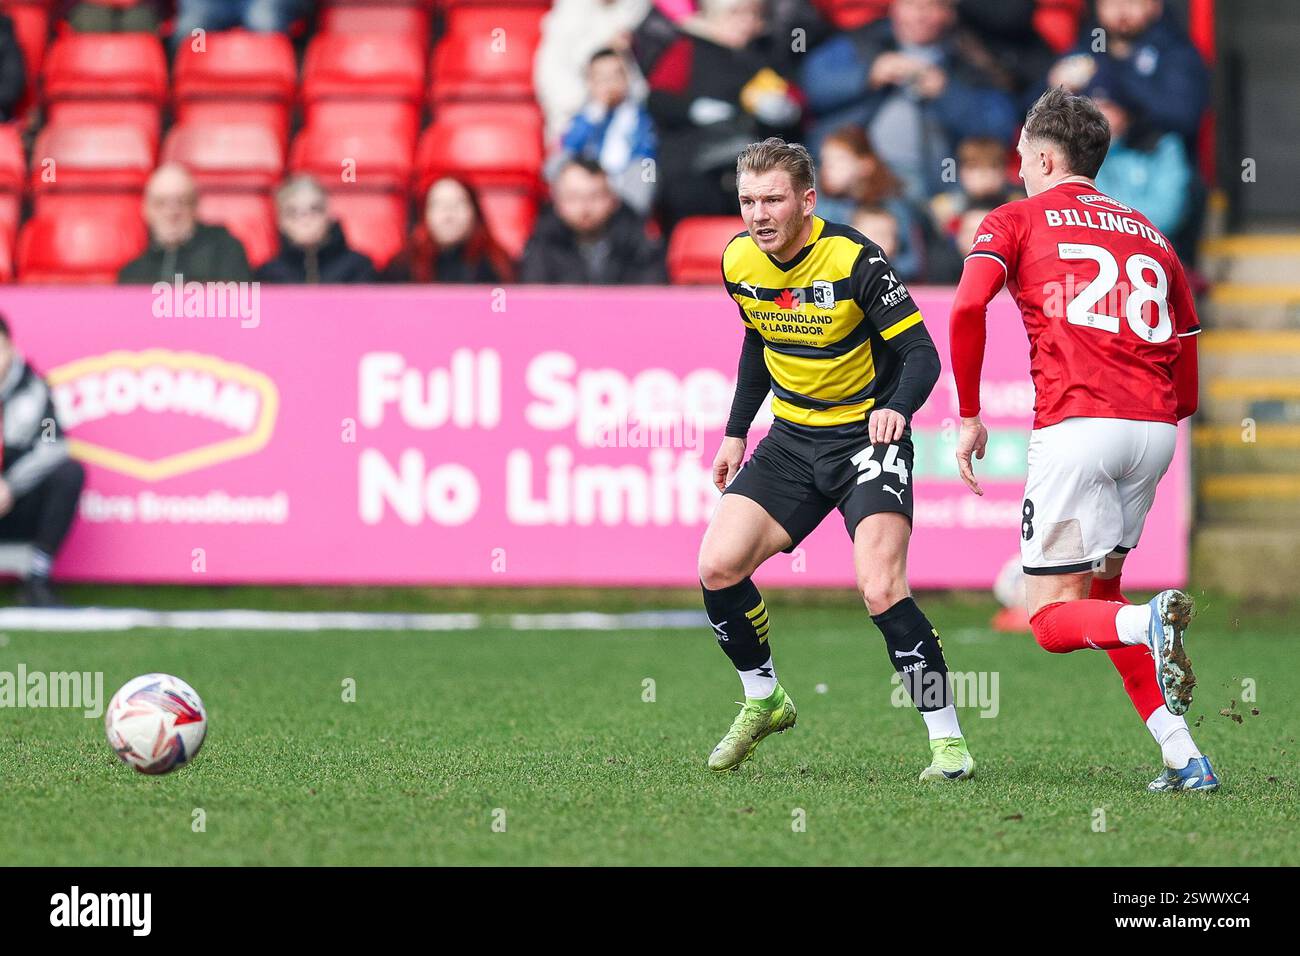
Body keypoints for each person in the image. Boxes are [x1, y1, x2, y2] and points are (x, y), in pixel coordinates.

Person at [948, 88, 1215, 792]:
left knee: (1048, 616)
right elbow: (1189, 380)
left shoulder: (1015, 218)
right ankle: (1184, 756)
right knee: (1105, 594)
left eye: (1020, 158)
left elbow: (969, 303)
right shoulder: (1152, 233)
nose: (1017, 169)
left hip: (1078, 425)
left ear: (1042, 156)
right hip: (1154, 431)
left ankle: (1148, 622)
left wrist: (970, 413)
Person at [700, 137, 975, 782]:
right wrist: (737, 431)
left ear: (807, 201)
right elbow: (756, 338)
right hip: (792, 442)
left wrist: (897, 411)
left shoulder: (854, 258)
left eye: (772, 199)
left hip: (867, 443)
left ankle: (948, 742)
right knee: (717, 565)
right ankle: (764, 698)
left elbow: (922, 357)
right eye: (747, 201)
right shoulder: (738, 260)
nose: (758, 214)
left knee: (880, 586)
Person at [799, 0, 1018, 201]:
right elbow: (811, 87)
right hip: (851, 180)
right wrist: (868, 74)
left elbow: (999, 127)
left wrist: (947, 92)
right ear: (893, 7)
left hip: (933, 189)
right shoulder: (862, 42)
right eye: (912, 5)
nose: (919, 15)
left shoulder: (970, 58)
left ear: (949, 13)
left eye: (931, 7)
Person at [0, 315, 86, 608]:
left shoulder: (35, 390)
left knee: (69, 474)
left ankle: (37, 577)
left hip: (18, 502)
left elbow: (54, 445)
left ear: (10, 347)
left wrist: (10, 485)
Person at [1048, 0, 1208, 149]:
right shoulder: (1091, 44)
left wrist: (1128, 120)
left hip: (1155, 160)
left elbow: (1184, 115)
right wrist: (1056, 88)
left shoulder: (1172, 48)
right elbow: (1033, 111)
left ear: (1155, 5)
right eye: (1111, 2)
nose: (1121, 11)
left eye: (1131, 2)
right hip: (1093, 162)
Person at [548, 48, 658, 216]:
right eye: (602, 78)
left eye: (616, 76)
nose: (610, 84)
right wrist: (594, 116)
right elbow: (566, 151)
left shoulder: (638, 117)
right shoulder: (584, 117)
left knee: (647, 169)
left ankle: (631, 219)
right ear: (590, 83)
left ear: (627, 79)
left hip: (624, 185)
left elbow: (646, 152)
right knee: (557, 163)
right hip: (586, 179)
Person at [519, 159, 665, 284]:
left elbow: (653, 294)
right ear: (557, 202)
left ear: (613, 200)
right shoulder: (542, 242)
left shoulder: (639, 242)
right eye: (573, 197)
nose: (584, 208)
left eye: (594, 197)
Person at [118, 164, 252, 285]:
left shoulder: (226, 253)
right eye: (160, 203)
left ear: (195, 206)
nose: (171, 212)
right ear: (146, 209)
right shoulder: (132, 274)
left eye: (182, 201)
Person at [385, 178, 516, 284]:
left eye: (458, 204)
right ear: (424, 215)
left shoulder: (497, 265)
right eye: (438, 204)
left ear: (474, 212)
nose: (448, 212)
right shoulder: (403, 267)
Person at [256, 176, 376, 284]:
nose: (305, 219)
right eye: (293, 212)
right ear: (280, 221)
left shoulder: (358, 267)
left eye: (314, 209)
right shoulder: (268, 274)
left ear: (329, 214)